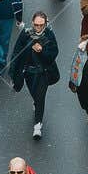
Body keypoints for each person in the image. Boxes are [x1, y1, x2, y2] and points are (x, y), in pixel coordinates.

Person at [10, 11, 60, 140]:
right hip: (28, 72)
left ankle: (38, 126)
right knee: (34, 94)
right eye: (36, 25)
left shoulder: (49, 34)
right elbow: (16, 52)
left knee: (40, 97)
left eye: (41, 25)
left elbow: (53, 54)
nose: (38, 27)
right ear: (32, 23)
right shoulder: (26, 34)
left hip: (43, 72)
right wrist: (13, 72)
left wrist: (42, 51)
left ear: (45, 24)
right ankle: (36, 103)